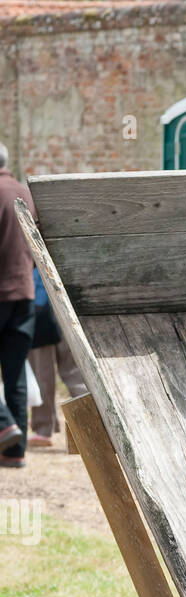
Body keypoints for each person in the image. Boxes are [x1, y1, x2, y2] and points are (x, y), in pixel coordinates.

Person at [0, 141, 36, 466]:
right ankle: (15, 452)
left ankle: (3, 424)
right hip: (25, 294)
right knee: (16, 375)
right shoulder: (24, 192)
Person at [28, 268, 85, 446]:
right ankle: (94, 423)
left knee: (41, 374)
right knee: (75, 374)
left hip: (38, 313)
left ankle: (43, 430)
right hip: (66, 309)